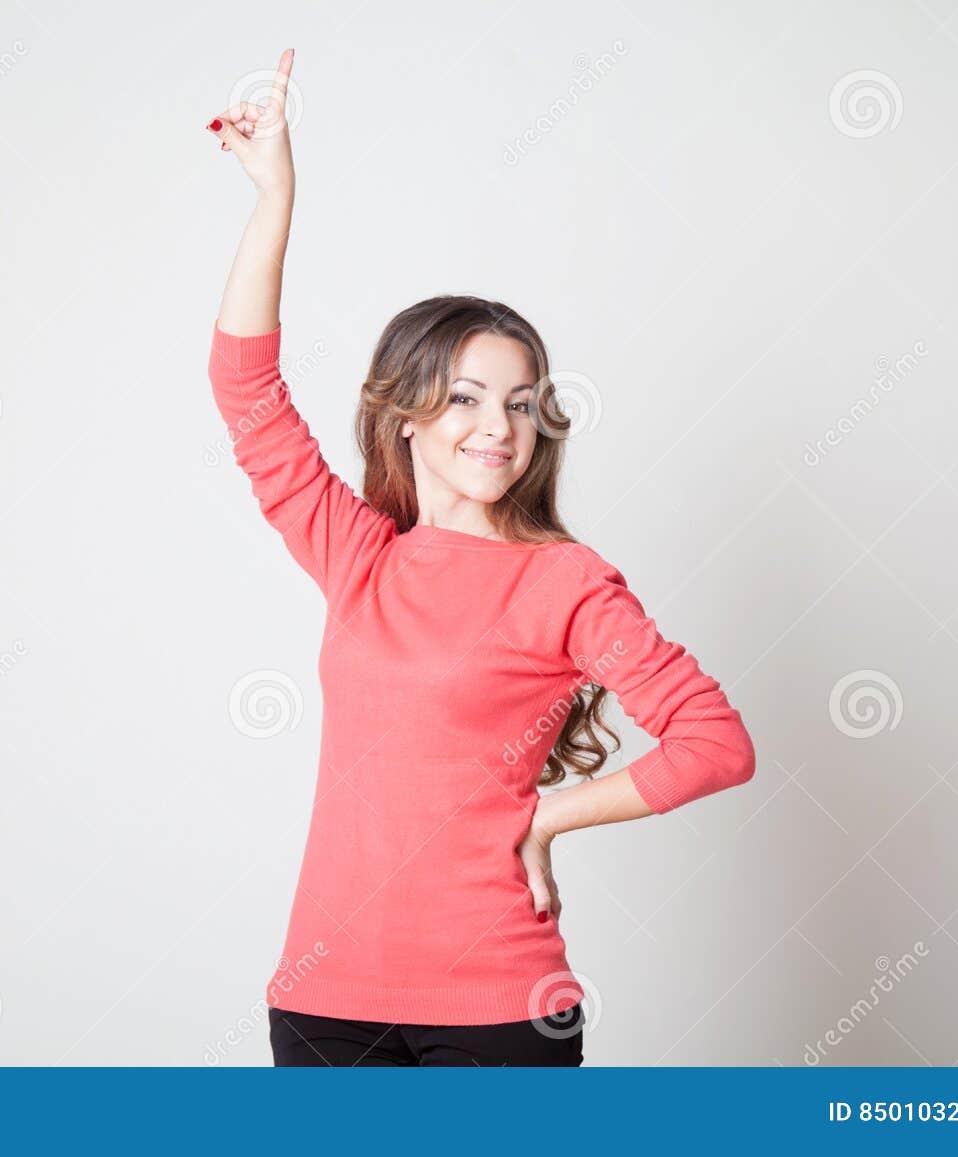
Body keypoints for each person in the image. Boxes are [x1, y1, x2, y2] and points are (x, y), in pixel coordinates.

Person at [205, 49, 756, 1067]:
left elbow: (716, 741)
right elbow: (246, 390)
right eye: (464, 397)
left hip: (500, 1008)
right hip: (323, 1002)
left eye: (519, 402)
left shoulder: (564, 582)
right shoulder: (358, 556)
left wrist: (547, 816)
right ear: (406, 416)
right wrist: (276, 197)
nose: (496, 426)